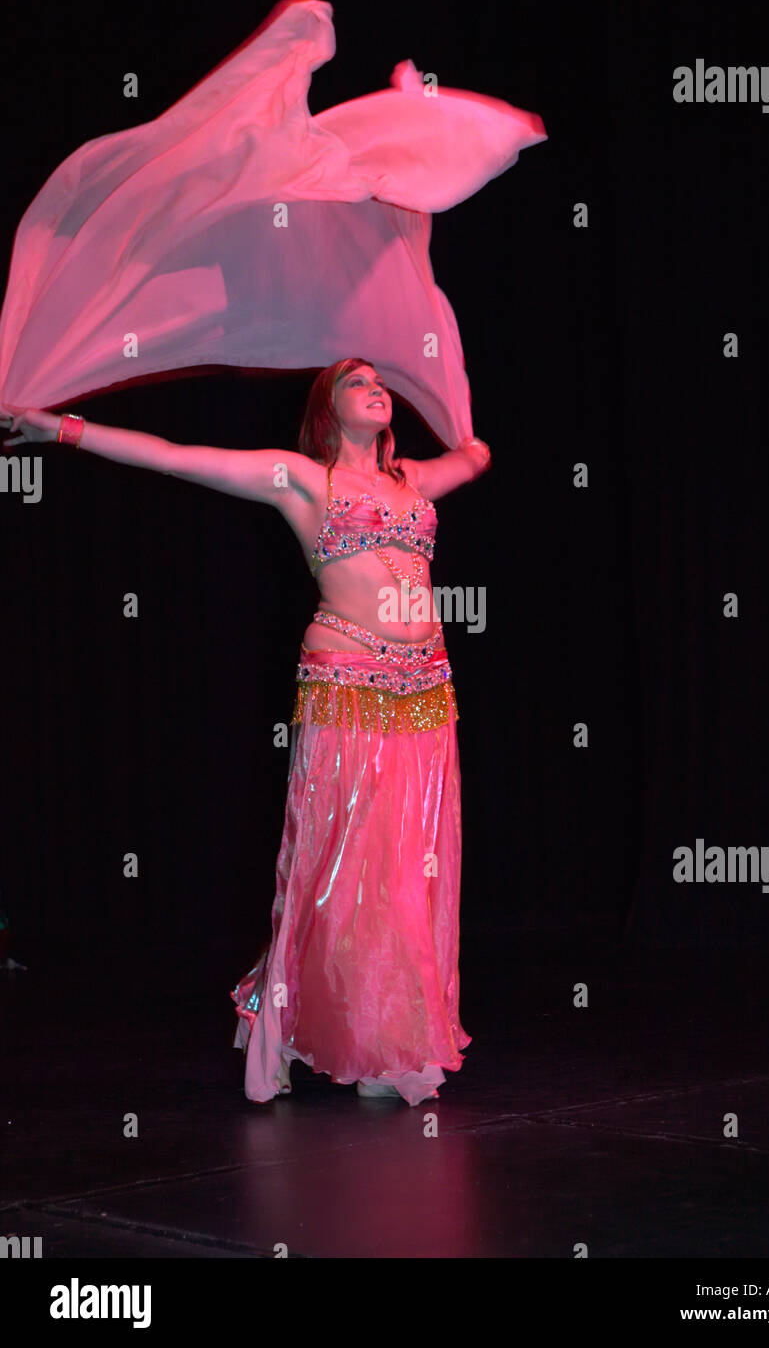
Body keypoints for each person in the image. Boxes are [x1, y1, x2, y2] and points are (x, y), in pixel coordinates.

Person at [1, 358, 490, 1106]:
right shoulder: (300, 477)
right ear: (327, 409)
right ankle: (312, 1020)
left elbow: (473, 458)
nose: (374, 388)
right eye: (355, 382)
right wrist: (63, 428)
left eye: (379, 381)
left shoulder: (412, 482)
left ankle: (386, 1036)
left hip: (427, 690)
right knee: (337, 868)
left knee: (405, 869)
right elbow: (174, 457)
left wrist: (462, 422)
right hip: (347, 683)